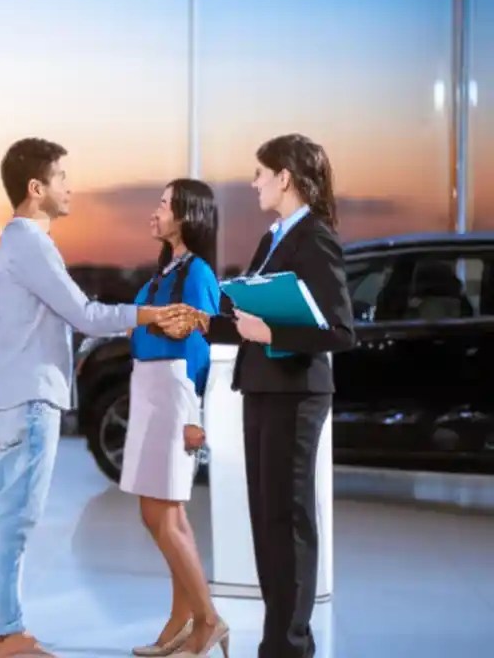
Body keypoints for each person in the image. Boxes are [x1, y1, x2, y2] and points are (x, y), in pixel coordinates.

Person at [0, 138, 183, 658]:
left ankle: (9, 631)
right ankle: (7, 637)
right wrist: (150, 315)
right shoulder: (29, 243)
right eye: (62, 176)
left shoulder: (19, 245)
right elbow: (86, 314)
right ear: (36, 188)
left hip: (16, 396)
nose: (70, 186)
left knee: (12, 519)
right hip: (28, 401)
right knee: (15, 522)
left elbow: (66, 322)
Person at [164, 134, 354, 658]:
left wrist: (273, 335)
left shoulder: (315, 237)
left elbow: (339, 330)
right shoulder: (274, 238)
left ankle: (287, 646)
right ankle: (282, 641)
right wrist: (206, 322)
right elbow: (252, 321)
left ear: (284, 178)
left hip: (296, 395)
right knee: (268, 521)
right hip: (264, 391)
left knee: (289, 522)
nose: (254, 183)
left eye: (260, 174)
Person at [122, 179, 227, 658]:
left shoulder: (199, 273)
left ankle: (208, 620)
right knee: (165, 514)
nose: (155, 212)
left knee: (162, 515)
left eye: (163, 205)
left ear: (186, 215)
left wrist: (194, 414)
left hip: (173, 393)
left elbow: (199, 346)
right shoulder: (165, 272)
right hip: (149, 389)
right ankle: (182, 620)